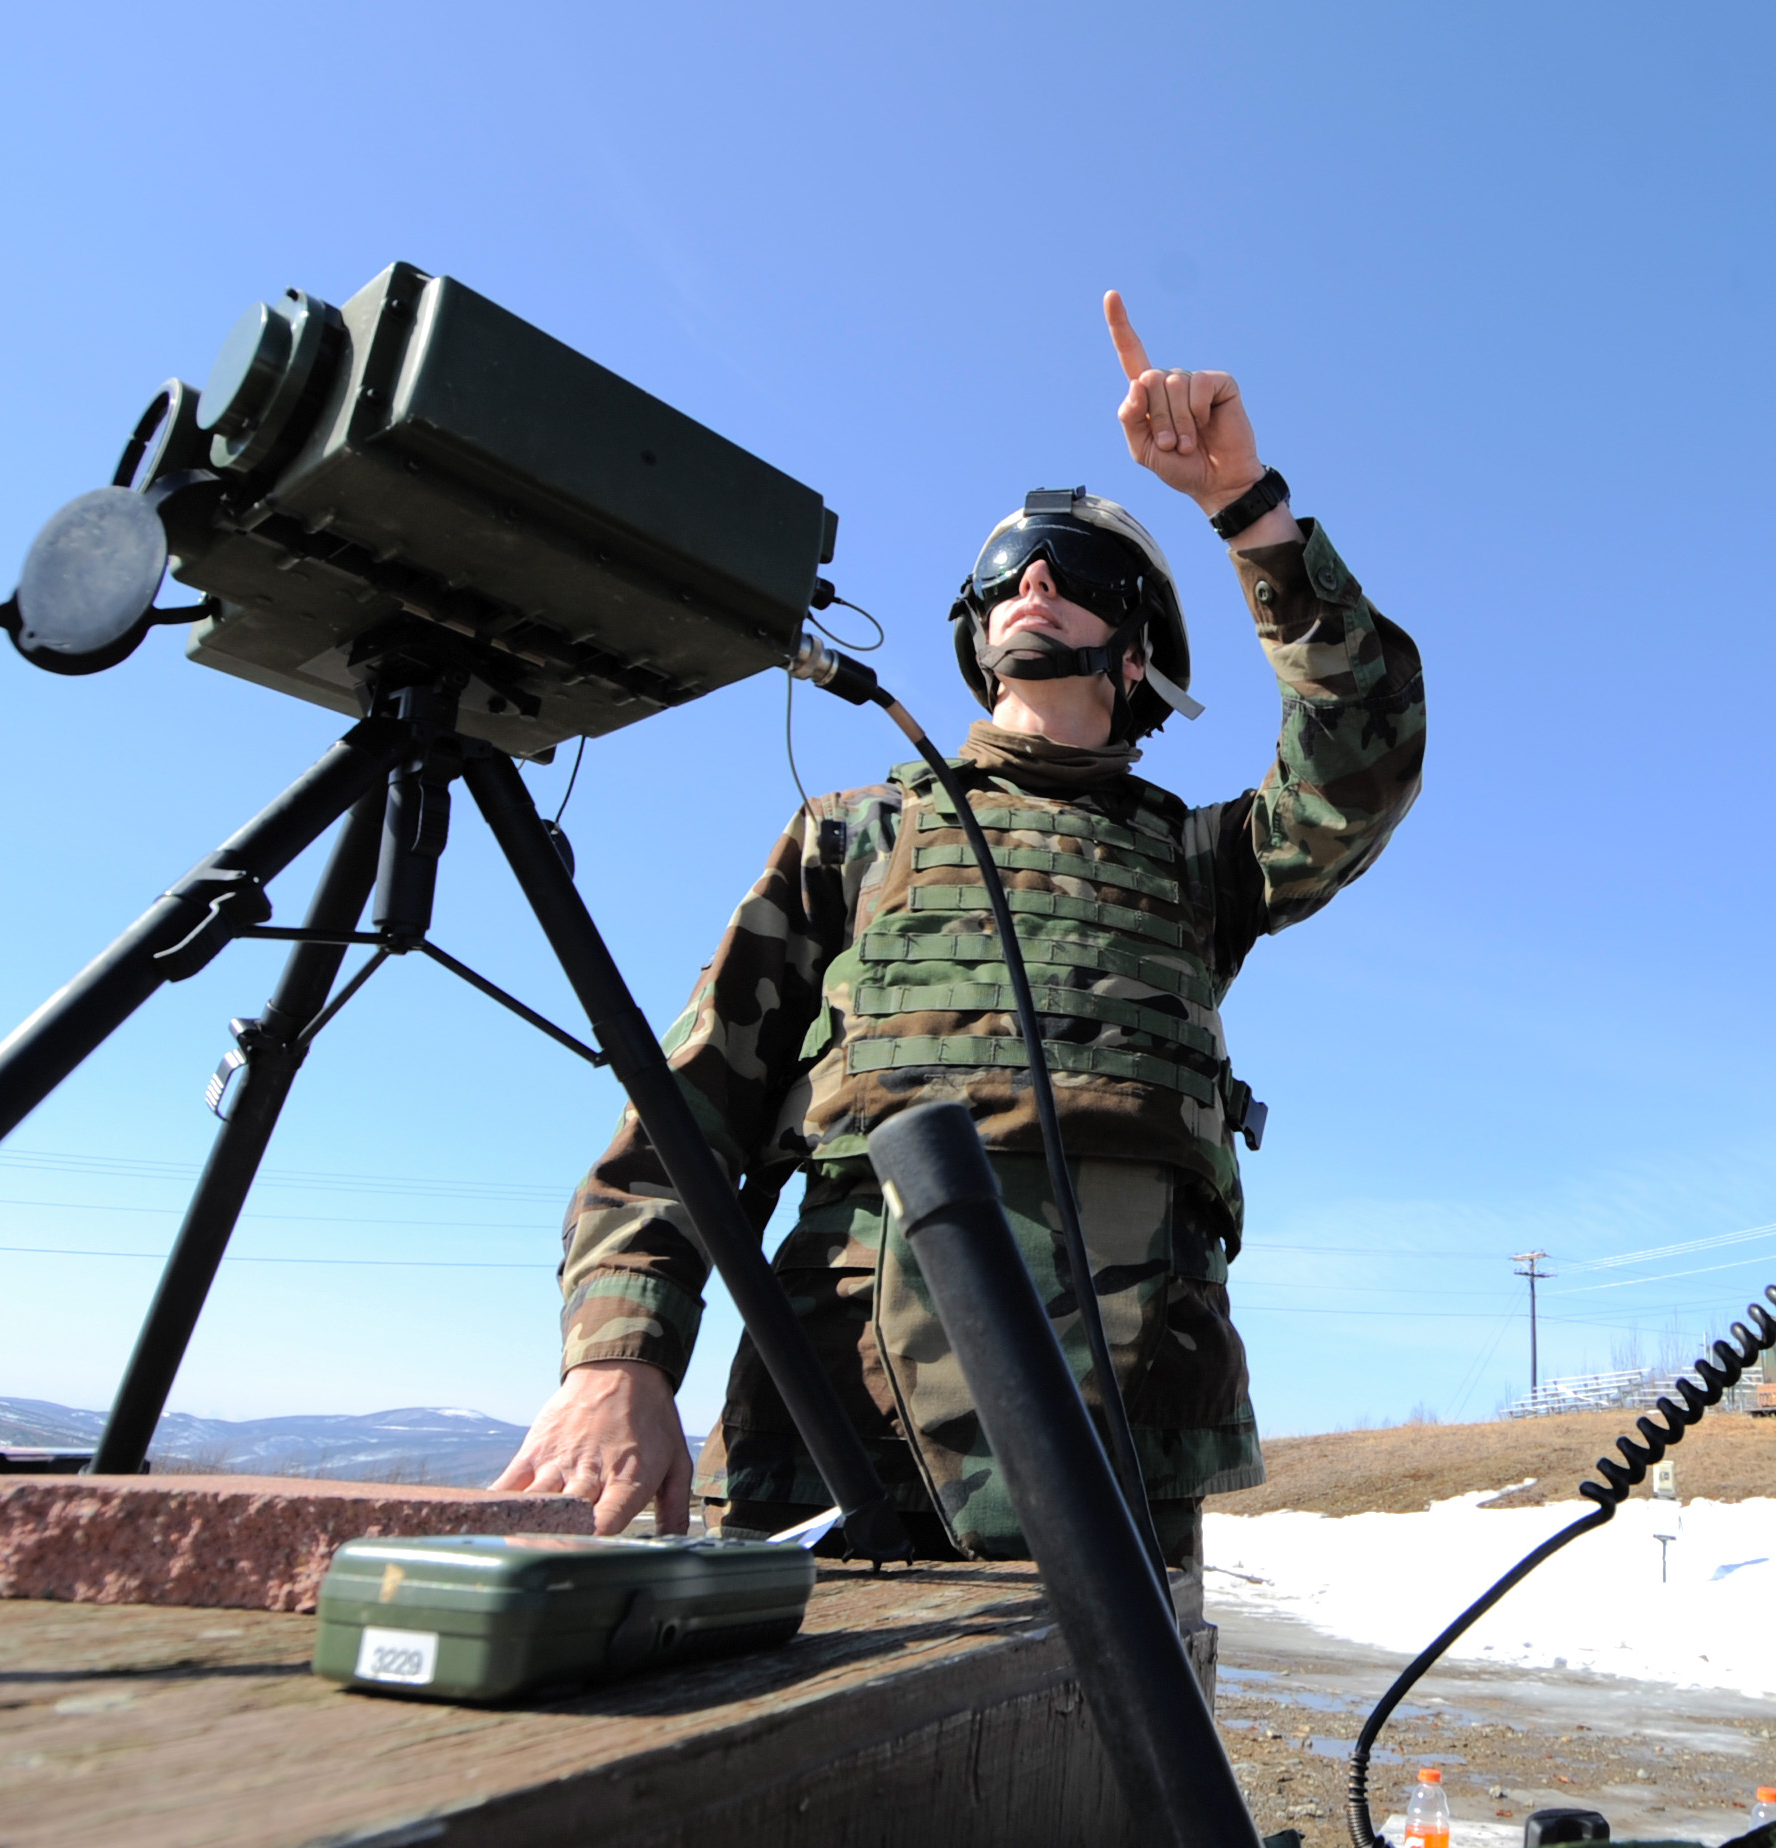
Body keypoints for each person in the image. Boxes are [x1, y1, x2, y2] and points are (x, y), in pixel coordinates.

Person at [492, 293, 1425, 1564]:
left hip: (1126, 1444)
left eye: (1081, 571)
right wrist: (620, 1354)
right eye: (1008, 571)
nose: (1036, 575)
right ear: (977, 631)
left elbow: (1363, 766)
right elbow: (686, 1114)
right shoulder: (851, 837)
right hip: (840, 1434)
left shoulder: (1204, 861)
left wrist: (1248, 508)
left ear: (1140, 652)